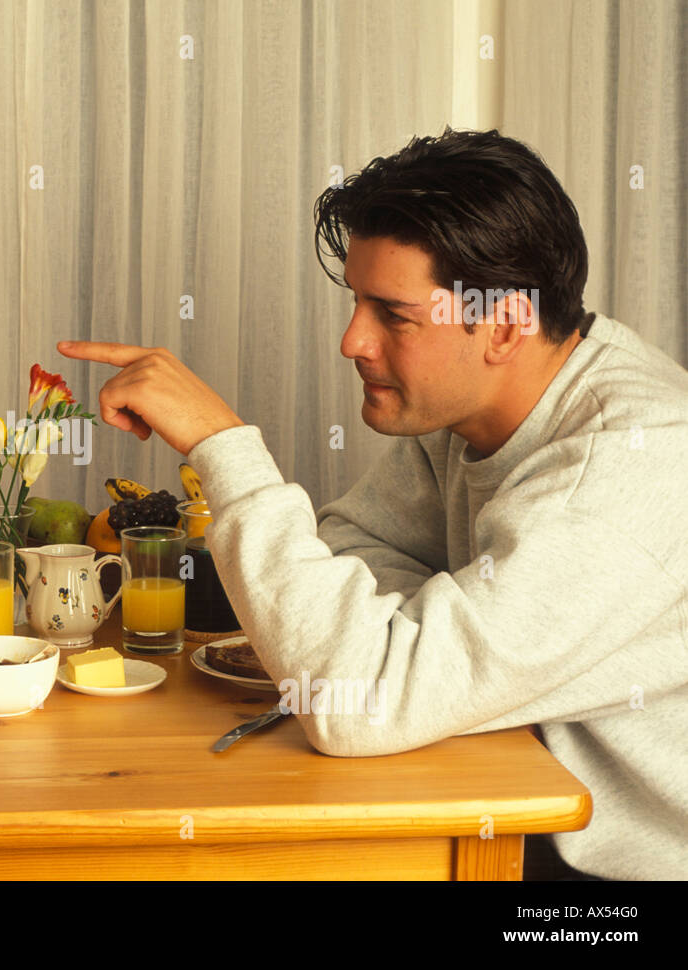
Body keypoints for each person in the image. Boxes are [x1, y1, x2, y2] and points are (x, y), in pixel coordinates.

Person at [60, 128, 688, 882]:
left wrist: (223, 447)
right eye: (358, 303)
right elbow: (351, 539)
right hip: (510, 789)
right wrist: (408, 650)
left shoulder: (621, 473)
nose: (352, 340)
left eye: (393, 314)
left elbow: (356, 705)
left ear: (507, 324)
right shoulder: (477, 408)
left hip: (610, 878)